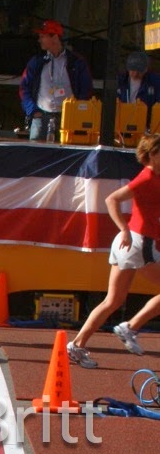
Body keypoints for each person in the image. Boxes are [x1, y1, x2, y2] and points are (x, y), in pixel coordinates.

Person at [67, 133, 160, 368]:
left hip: (129, 242)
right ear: (152, 155)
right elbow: (112, 199)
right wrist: (125, 229)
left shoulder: (154, 177)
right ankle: (130, 327)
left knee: (113, 300)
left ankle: (77, 345)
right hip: (138, 242)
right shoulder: (147, 177)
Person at [19, 20, 93, 142]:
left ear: (54, 37)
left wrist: (77, 113)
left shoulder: (76, 62)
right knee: (35, 155)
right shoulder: (37, 61)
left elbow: (86, 89)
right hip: (41, 118)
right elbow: (23, 88)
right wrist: (33, 111)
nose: (39, 40)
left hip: (68, 119)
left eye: (43, 36)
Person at [116, 50, 160, 121]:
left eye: (139, 72)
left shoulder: (155, 81)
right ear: (128, 69)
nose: (135, 74)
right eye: (133, 71)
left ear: (146, 70)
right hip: (123, 122)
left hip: (146, 124)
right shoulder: (121, 81)